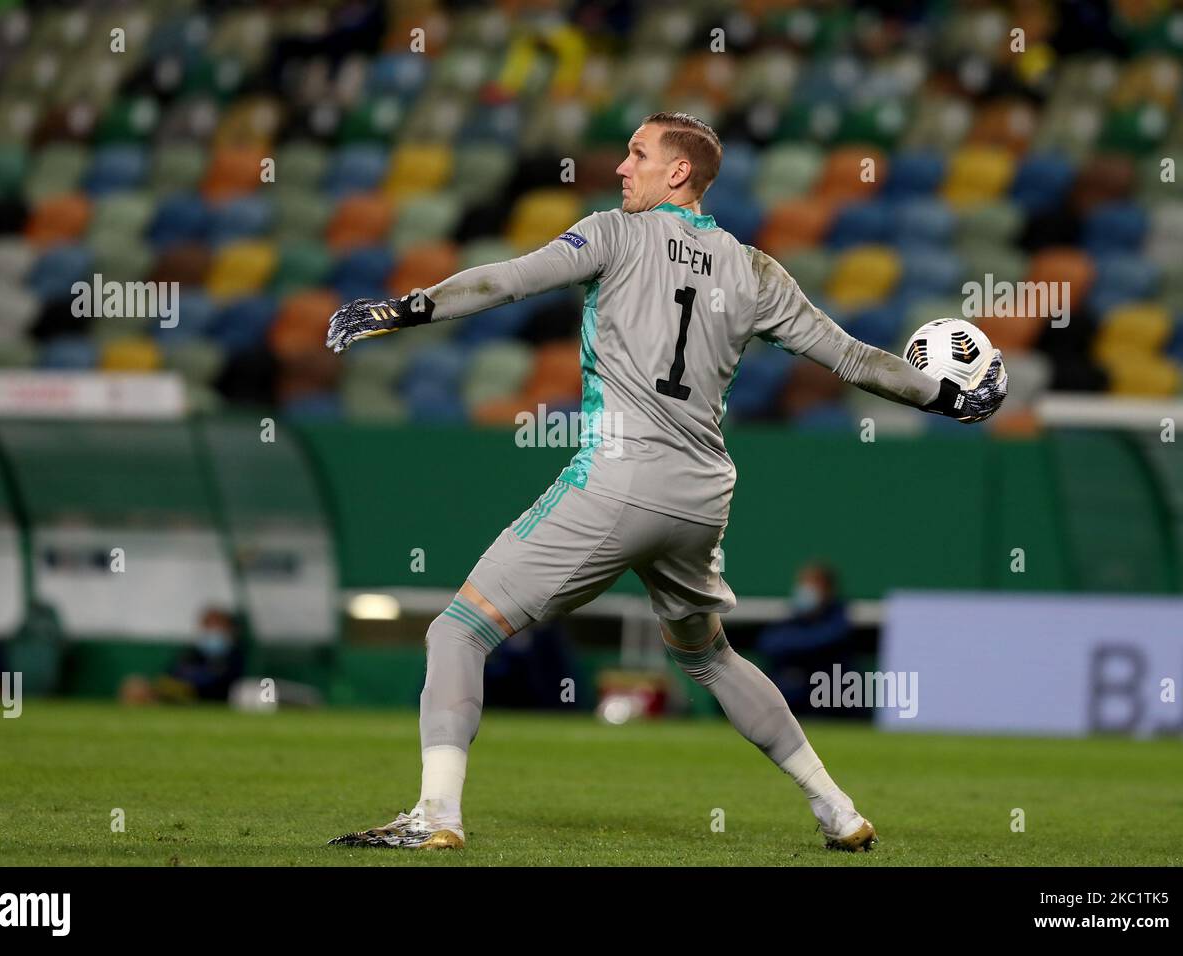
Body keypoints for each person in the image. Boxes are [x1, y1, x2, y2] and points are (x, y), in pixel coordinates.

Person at [324, 112, 1007, 851]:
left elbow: (506, 281)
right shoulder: (755, 270)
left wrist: (407, 308)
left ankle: (436, 816)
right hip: (701, 495)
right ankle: (837, 809)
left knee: (457, 631)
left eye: (637, 153)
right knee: (708, 656)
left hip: (619, 478)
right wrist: (944, 397)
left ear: (678, 173)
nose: (622, 167)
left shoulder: (612, 235)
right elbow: (854, 359)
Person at [757, 563, 852, 712]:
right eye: (803, 583)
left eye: (813, 584)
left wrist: (792, 646)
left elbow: (822, 641)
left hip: (828, 698)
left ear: (827, 590)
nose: (806, 589)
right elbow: (768, 643)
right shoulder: (793, 619)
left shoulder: (838, 619)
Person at [119, 607, 244, 704]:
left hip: (205, 699)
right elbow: (173, 672)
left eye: (217, 627)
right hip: (180, 694)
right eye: (209, 626)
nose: (213, 632)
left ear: (228, 629)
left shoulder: (233, 656)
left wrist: (188, 684)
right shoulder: (193, 652)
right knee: (136, 686)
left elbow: (216, 682)